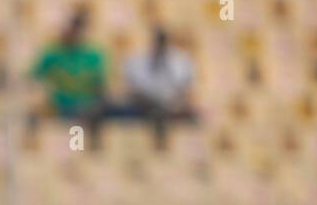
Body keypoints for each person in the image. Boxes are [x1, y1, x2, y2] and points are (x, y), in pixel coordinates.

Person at [29, 9, 107, 145]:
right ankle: (75, 148)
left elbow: (100, 86)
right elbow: (33, 77)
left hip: (87, 106)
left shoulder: (93, 56)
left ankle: (89, 149)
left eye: (78, 29)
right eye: (72, 28)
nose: (74, 33)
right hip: (60, 105)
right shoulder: (53, 54)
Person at [121, 27, 196, 150]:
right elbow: (135, 88)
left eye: (163, 41)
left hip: (172, 106)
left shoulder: (181, 61)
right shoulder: (138, 60)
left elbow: (184, 89)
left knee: (193, 118)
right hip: (145, 106)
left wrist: (174, 101)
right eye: (158, 41)